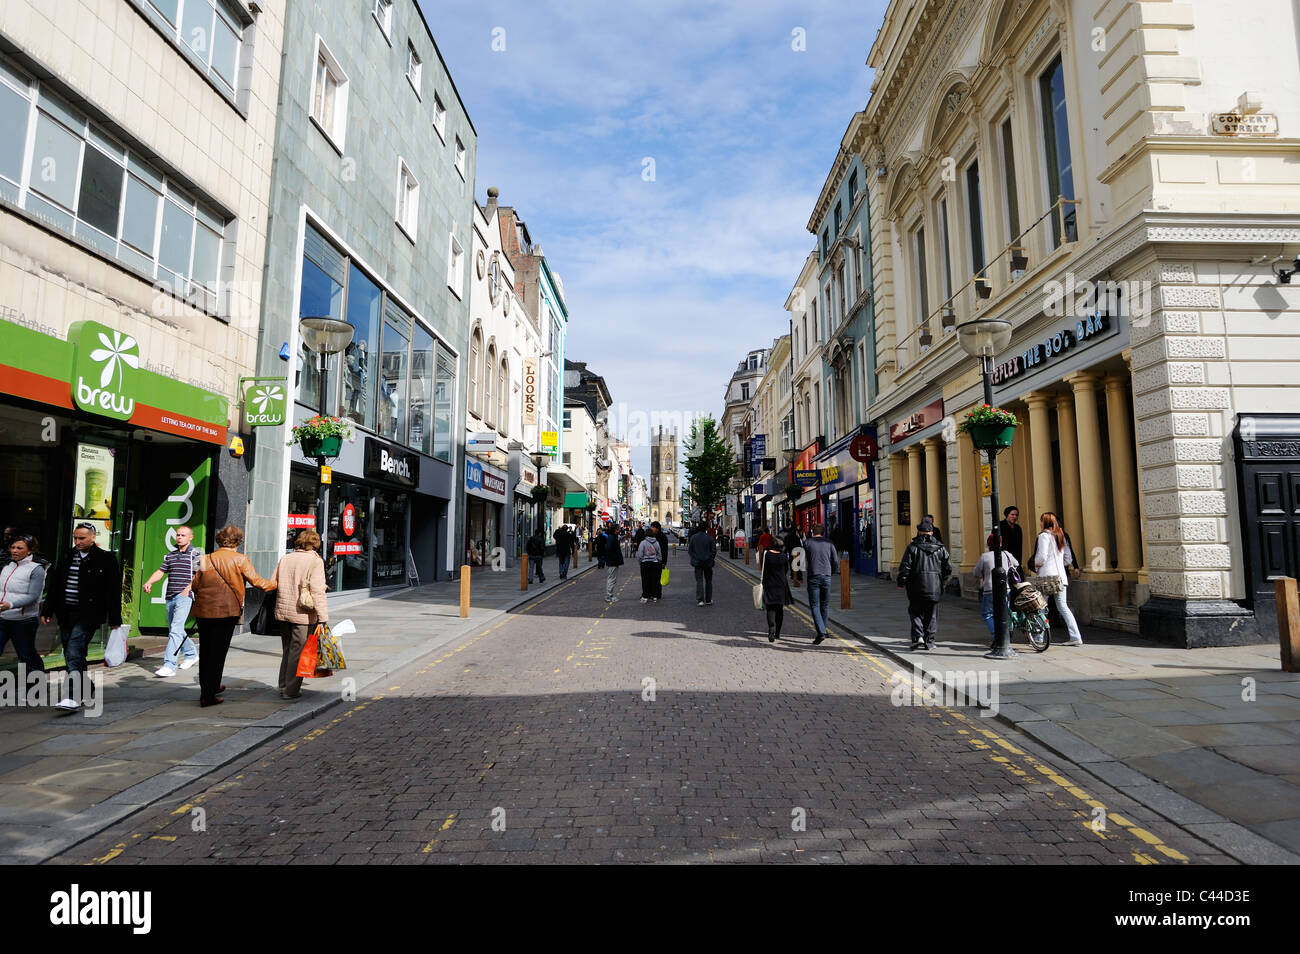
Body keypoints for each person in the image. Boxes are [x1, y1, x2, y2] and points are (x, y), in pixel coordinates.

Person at [190, 525, 276, 707]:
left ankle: (209, 686)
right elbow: (258, 582)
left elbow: (195, 585)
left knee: (205, 651)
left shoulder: (205, 559)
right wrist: (275, 583)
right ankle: (208, 695)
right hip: (226, 611)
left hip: (204, 611)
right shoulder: (240, 559)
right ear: (238, 541)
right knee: (218, 653)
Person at [41, 523, 122, 709]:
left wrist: (115, 619)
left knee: (73, 651)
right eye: (75, 538)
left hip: (89, 615)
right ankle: (86, 687)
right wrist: (48, 609)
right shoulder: (68, 555)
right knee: (74, 654)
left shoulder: (106, 559)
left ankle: (72, 695)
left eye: (82, 538)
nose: (77, 542)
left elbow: (113, 591)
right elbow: (56, 584)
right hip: (66, 612)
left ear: (93, 537)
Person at [271, 529, 328, 700]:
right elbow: (317, 591)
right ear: (315, 543)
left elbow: (274, 581)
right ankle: (291, 690)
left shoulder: (286, 558)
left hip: (282, 611)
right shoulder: (315, 561)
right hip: (302, 614)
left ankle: (283, 684)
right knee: (299, 652)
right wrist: (323, 616)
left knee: (288, 649)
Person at [141, 524, 202, 677]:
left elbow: (201, 574)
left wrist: (188, 588)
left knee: (175, 630)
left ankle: (169, 665)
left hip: (185, 597)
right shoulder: (171, 555)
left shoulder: (196, 553)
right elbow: (161, 571)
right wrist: (149, 582)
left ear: (190, 537)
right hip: (170, 596)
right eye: (178, 535)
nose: (179, 537)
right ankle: (191, 654)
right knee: (176, 630)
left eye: (183, 535)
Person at [896, 516, 951, 651]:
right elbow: (948, 569)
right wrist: (941, 582)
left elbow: (905, 567)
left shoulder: (912, 547)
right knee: (931, 614)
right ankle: (929, 642)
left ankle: (918, 637)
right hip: (935, 587)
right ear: (932, 533)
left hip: (915, 586)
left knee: (915, 611)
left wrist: (901, 582)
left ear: (919, 532)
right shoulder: (941, 548)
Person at [1030, 512, 1084, 646]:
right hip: (1061, 577)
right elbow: (1068, 559)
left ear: (1045, 522)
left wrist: (1034, 563)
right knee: (1063, 607)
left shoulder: (1044, 536)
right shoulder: (1060, 535)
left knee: (1040, 607)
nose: (1040, 523)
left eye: (1041, 520)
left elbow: (1041, 557)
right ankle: (1075, 636)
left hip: (1046, 577)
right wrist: (1057, 564)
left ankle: (1039, 637)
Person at [0, 533, 47, 674]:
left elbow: (33, 596)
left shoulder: (36, 569)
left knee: (26, 656)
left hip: (23, 621)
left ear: (30, 550)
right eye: (12, 547)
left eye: (19, 548)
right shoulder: (7, 565)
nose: (14, 550)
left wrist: (11, 604)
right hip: (2, 618)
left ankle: (36, 690)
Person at [973, 533, 1019, 643]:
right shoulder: (1007, 554)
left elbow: (976, 573)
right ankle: (1005, 635)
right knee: (1004, 612)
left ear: (989, 544)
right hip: (1005, 588)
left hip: (989, 589)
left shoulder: (985, 556)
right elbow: (1016, 563)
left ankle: (996, 636)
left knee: (988, 613)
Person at [804, 524, 838, 645]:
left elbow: (806, 558)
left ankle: (821, 631)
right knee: (825, 604)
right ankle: (823, 630)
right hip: (826, 576)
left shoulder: (807, 542)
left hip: (813, 575)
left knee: (814, 605)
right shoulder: (829, 543)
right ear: (823, 532)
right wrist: (831, 572)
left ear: (813, 532)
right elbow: (835, 561)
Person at [759, 538, 793, 643]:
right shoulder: (783, 556)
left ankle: (771, 631)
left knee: (770, 609)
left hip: (769, 584)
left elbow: (762, 567)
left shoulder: (767, 554)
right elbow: (786, 569)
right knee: (779, 609)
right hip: (781, 584)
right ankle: (778, 632)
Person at [688, 520, 717, 606]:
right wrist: (710, 558)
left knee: (699, 581)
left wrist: (695, 558)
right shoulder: (709, 538)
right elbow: (714, 550)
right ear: (706, 528)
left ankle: (700, 600)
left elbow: (690, 551)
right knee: (708, 581)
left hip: (697, 563)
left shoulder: (693, 537)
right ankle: (708, 600)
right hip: (708, 563)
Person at [636, 531, 662, 602]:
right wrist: (659, 561)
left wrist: (640, 562)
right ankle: (654, 596)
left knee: (645, 580)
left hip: (645, 563)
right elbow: (659, 553)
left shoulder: (643, 543)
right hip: (654, 563)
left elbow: (640, 554)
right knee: (654, 580)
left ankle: (645, 596)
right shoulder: (657, 542)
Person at [601, 523, 623, 603]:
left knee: (612, 579)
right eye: (618, 529)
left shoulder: (613, 537)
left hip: (613, 561)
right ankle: (609, 596)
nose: (619, 530)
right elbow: (608, 548)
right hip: (613, 561)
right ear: (614, 530)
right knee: (611, 579)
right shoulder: (611, 537)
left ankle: (610, 595)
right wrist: (614, 557)